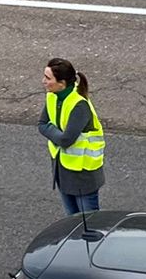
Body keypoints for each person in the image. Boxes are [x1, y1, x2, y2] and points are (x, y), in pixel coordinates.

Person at [38, 57, 105, 214]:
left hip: (83, 176)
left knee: (88, 225)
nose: (43, 81)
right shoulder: (52, 96)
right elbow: (41, 124)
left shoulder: (79, 105)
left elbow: (66, 140)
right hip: (63, 172)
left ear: (62, 83)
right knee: (72, 223)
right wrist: (56, 134)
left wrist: (52, 130)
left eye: (48, 78)